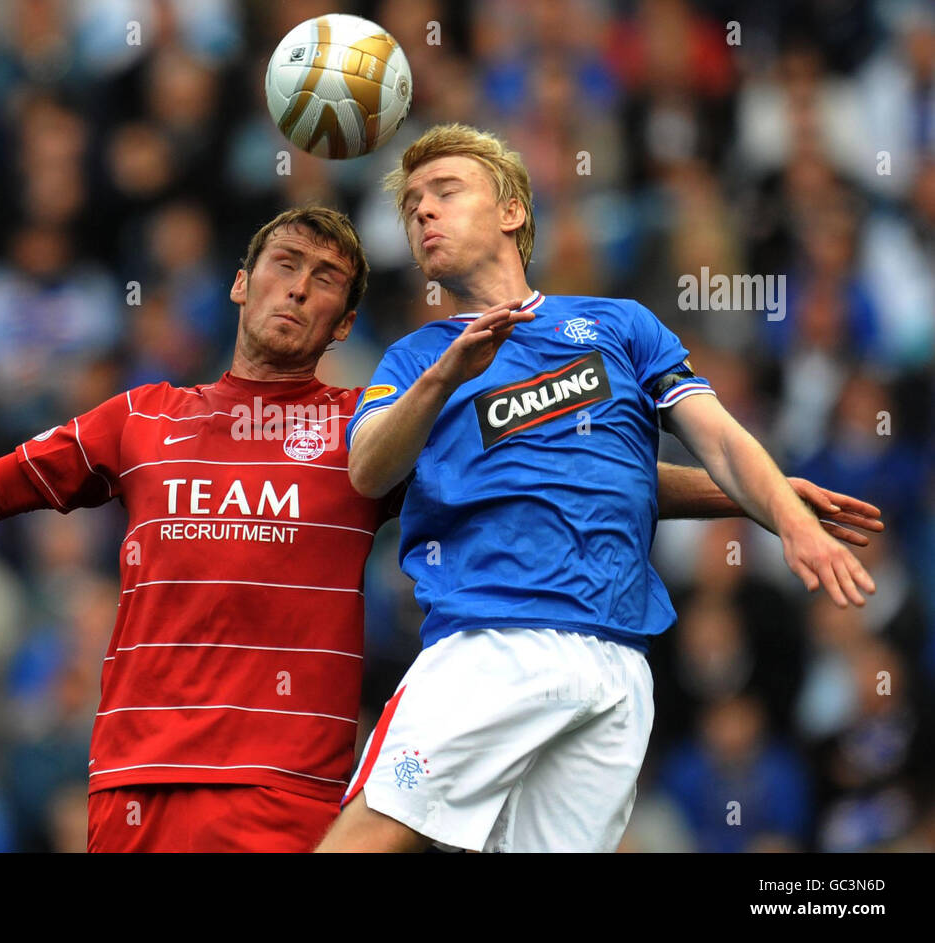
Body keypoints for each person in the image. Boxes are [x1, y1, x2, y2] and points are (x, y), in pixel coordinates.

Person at [0, 207, 879, 853]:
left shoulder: (371, 430)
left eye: (329, 285)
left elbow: (571, 477)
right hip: (136, 782)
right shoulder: (141, 418)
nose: (303, 292)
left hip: (283, 792)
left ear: (342, 319)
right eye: (286, 268)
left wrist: (760, 498)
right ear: (242, 285)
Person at [315, 125, 880, 854]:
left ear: (512, 210)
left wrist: (775, 505)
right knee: (378, 829)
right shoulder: (418, 356)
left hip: (616, 664)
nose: (423, 211)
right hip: (493, 637)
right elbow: (368, 469)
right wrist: (444, 376)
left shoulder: (620, 326)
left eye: (445, 191)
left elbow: (710, 443)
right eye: (413, 204)